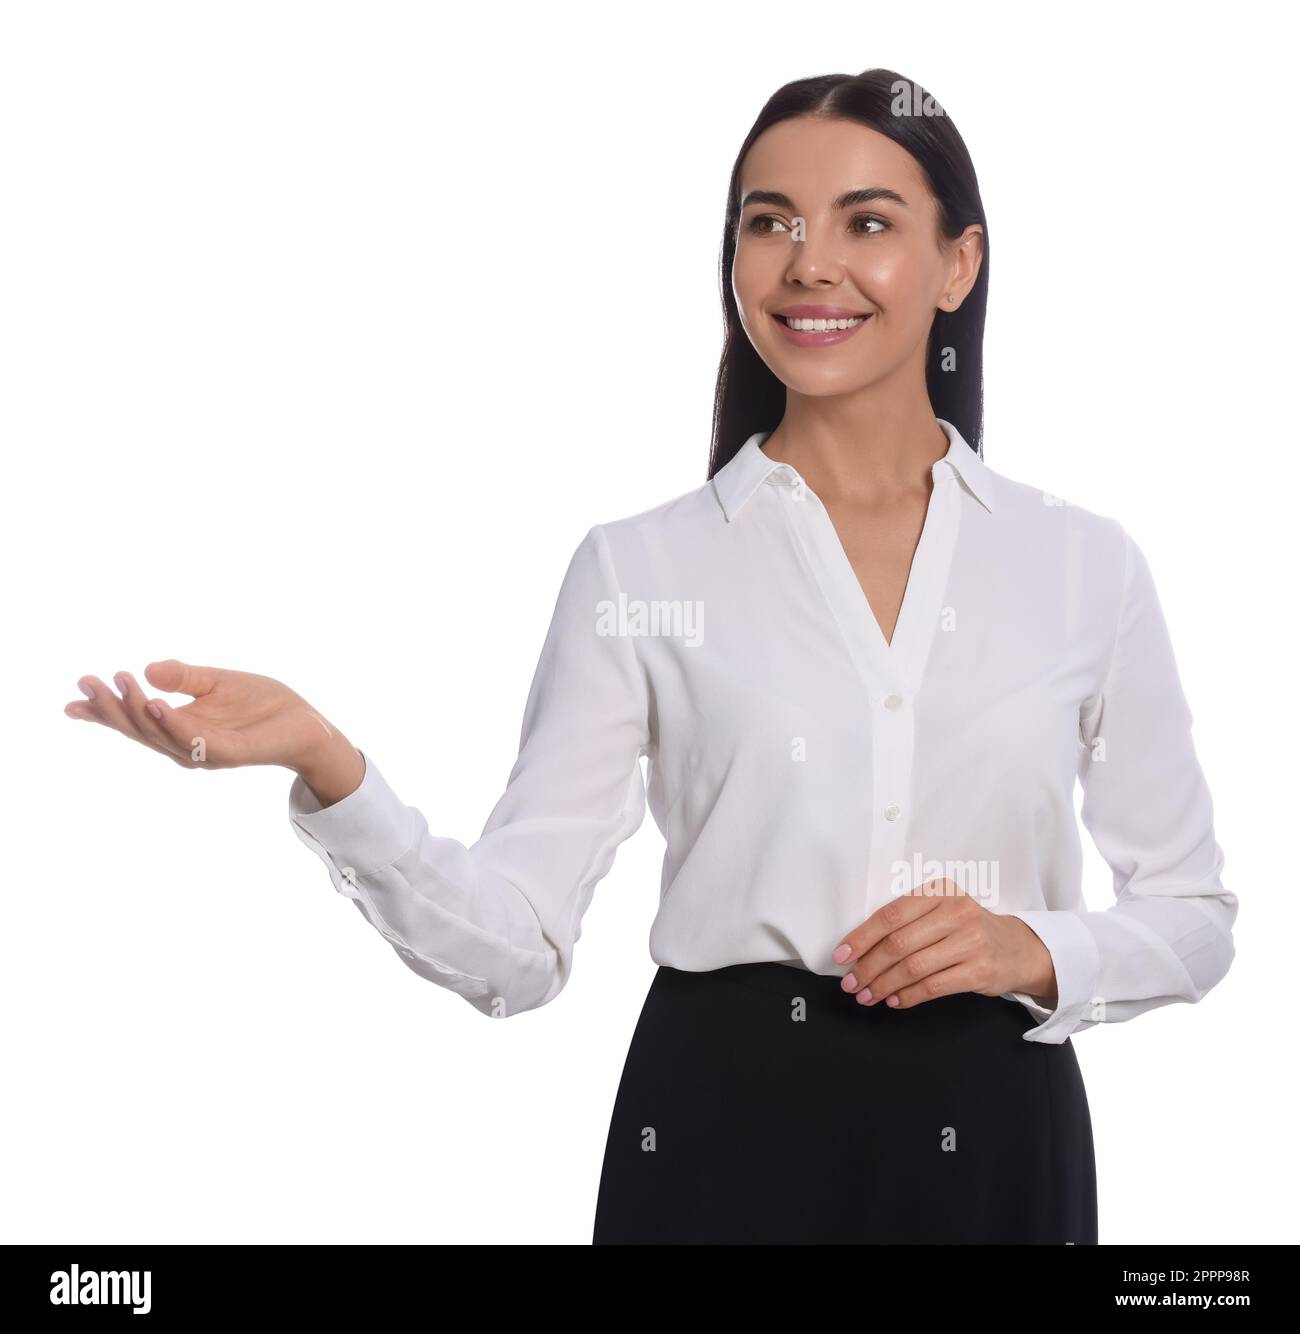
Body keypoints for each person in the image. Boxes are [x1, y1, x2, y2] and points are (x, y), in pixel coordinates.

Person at [64, 68, 1237, 1245]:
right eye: (768, 220)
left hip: (993, 1132)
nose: (807, 262)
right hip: (721, 1132)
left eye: (866, 222)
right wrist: (330, 766)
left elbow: (1192, 910)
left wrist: (1033, 944)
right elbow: (516, 947)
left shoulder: (1082, 566)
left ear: (957, 264)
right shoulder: (642, 571)